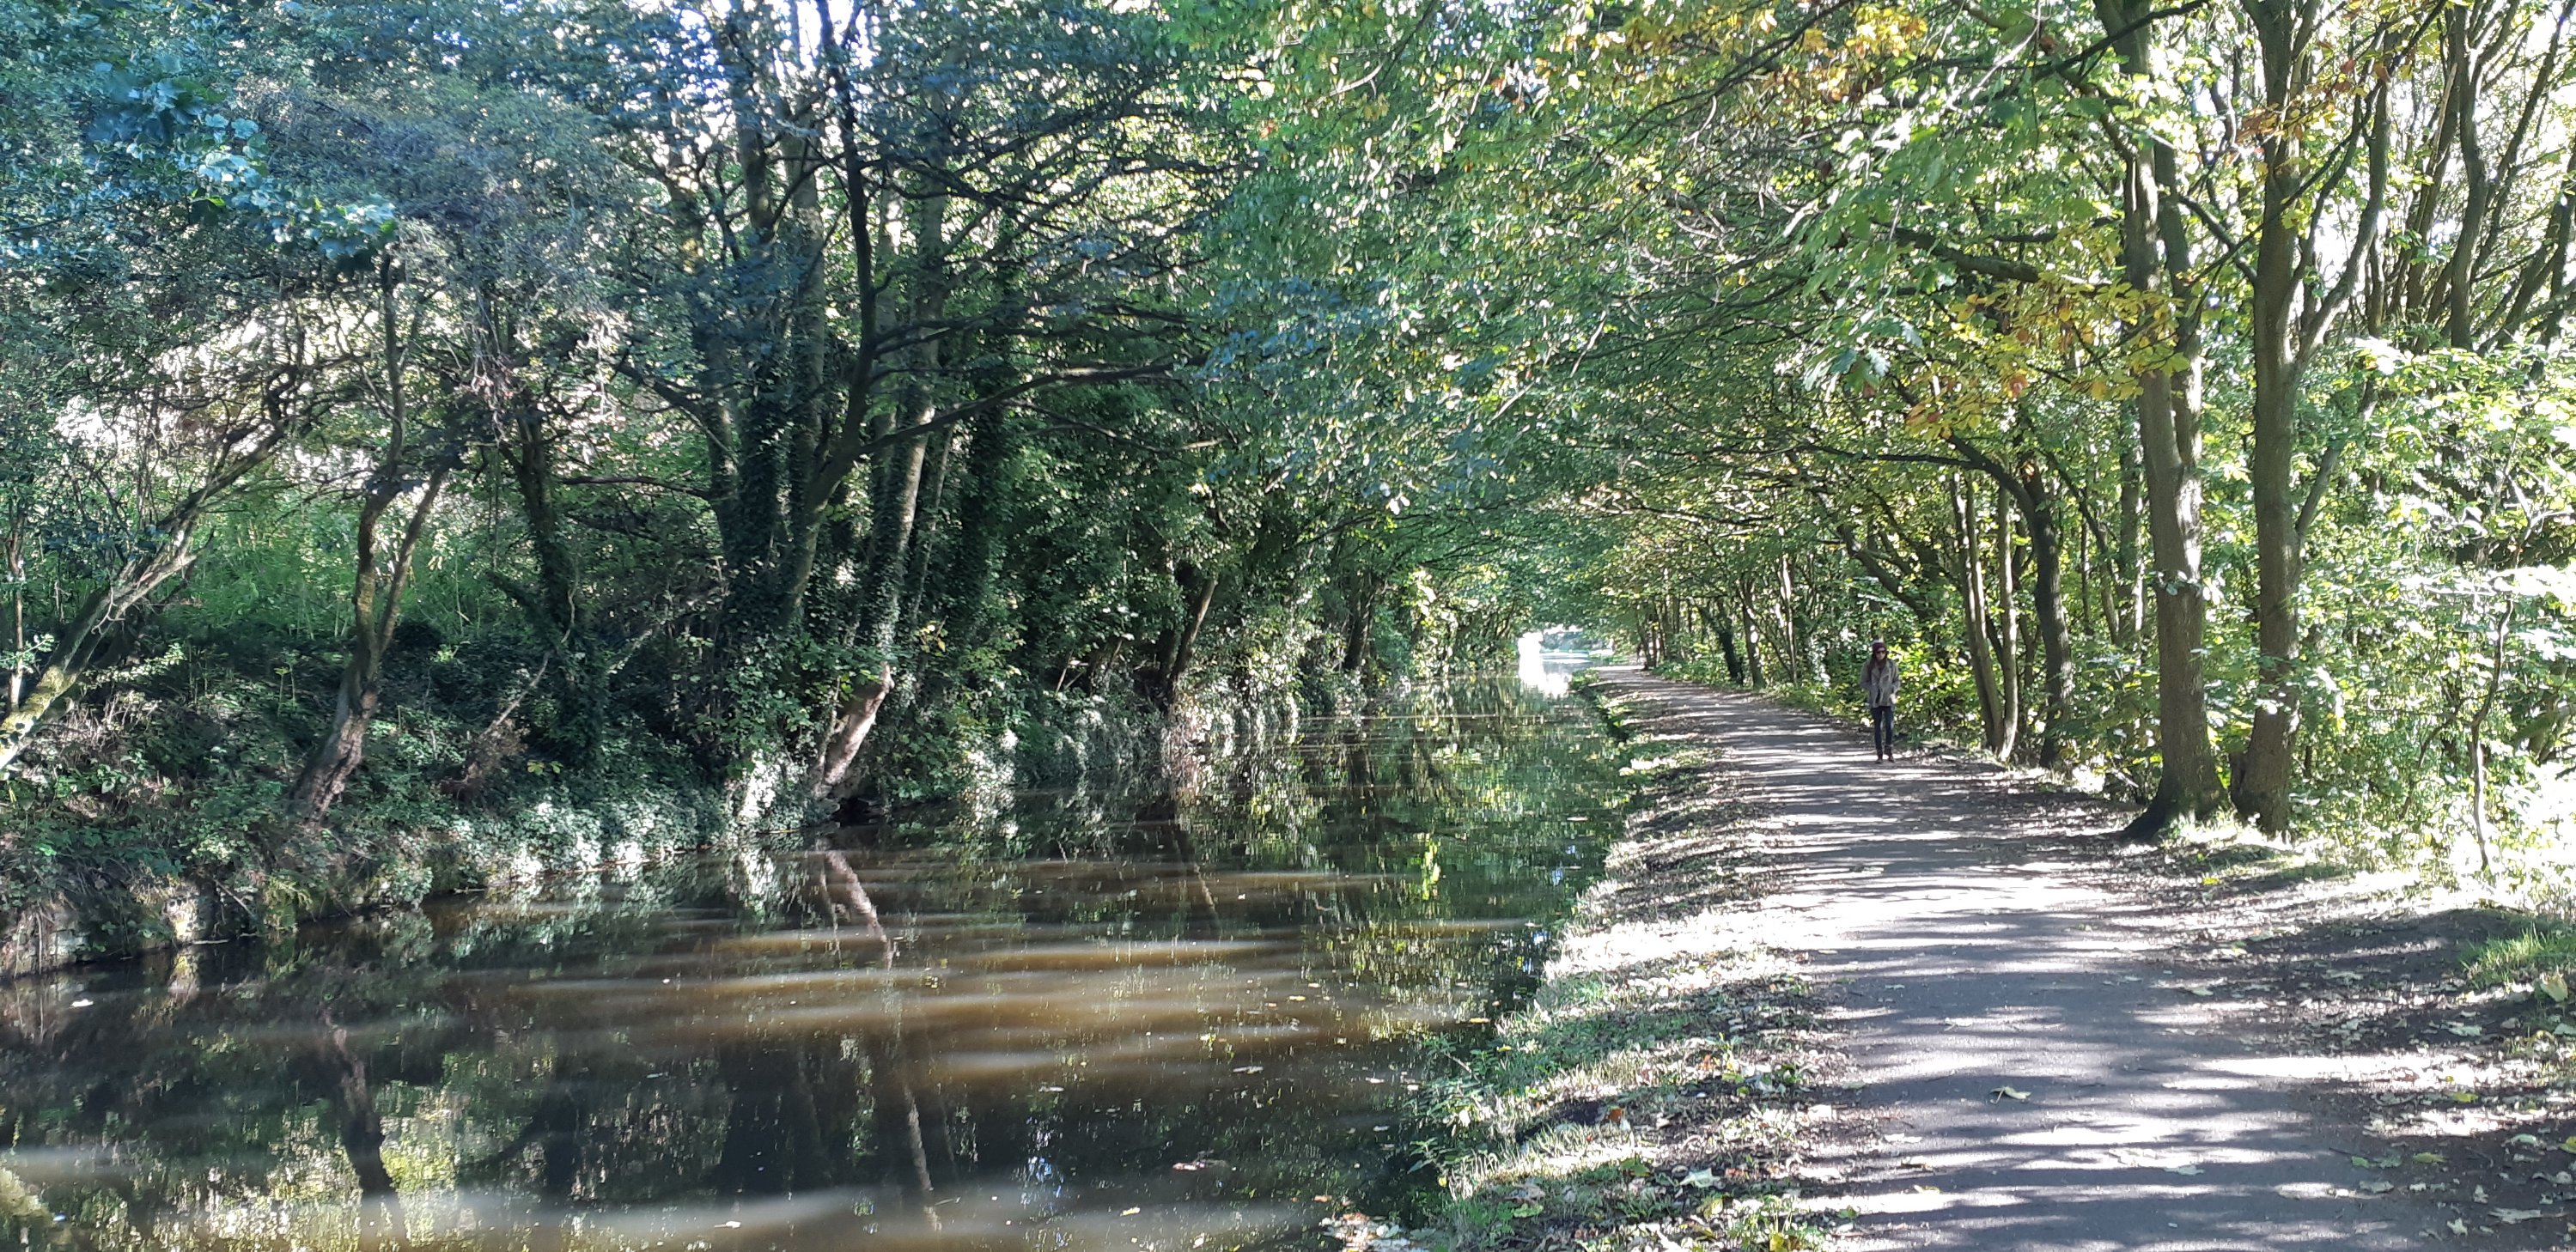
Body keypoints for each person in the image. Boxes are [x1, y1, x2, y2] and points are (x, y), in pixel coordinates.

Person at [1861, 641, 1899, 762]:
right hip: (1875, 699)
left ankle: (1889, 749)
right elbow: (1863, 682)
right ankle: (1879, 754)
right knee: (1878, 726)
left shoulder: (1892, 665)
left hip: (1888, 698)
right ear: (1874, 653)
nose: (1881, 655)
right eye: (1878, 652)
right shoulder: (1868, 666)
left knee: (1889, 725)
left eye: (1883, 652)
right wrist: (1873, 688)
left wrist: (1892, 688)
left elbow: (1898, 680)